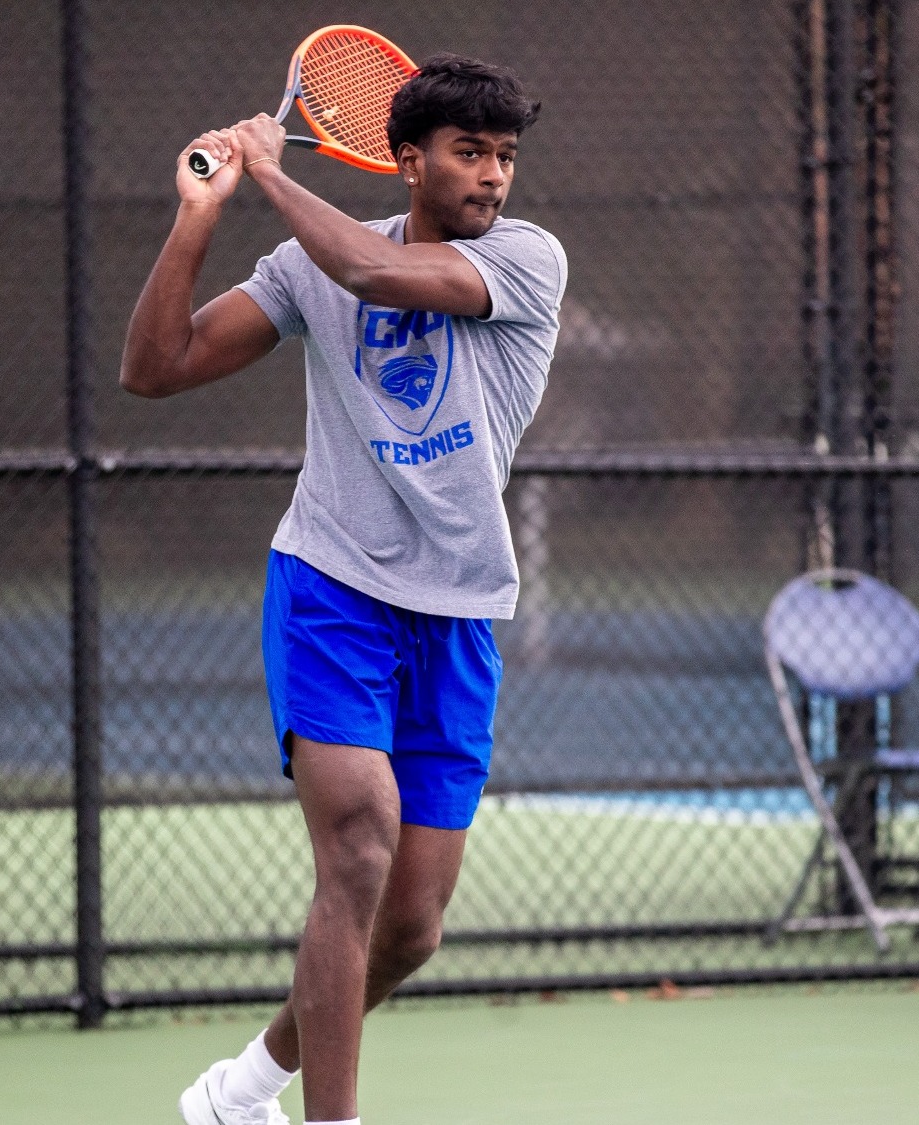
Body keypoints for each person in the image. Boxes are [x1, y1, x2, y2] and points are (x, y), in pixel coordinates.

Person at [121, 53, 564, 1125]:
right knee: (359, 839)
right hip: (331, 587)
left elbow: (375, 274)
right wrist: (200, 214)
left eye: (503, 156)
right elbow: (156, 366)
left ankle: (245, 1087)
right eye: (469, 154)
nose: (492, 177)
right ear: (408, 160)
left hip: (457, 610)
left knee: (409, 927)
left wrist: (271, 174)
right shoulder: (300, 266)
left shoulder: (527, 259)